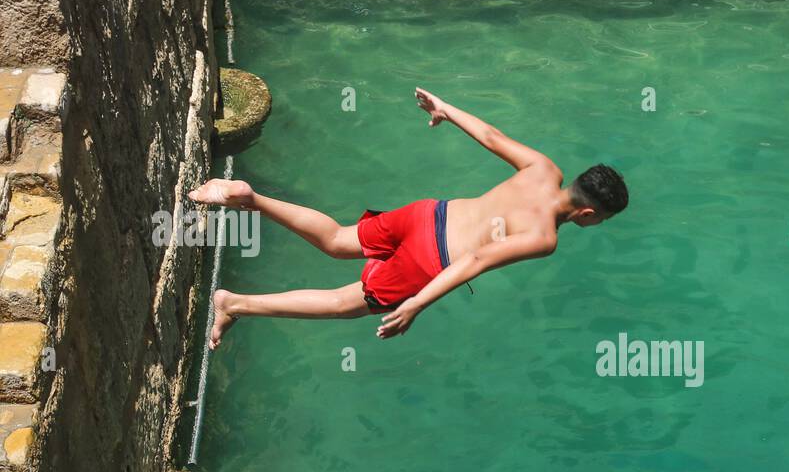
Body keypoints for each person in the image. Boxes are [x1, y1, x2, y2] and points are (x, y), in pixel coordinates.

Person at [189, 88, 628, 348]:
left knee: (339, 239)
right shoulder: (544, 236)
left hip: (428, 214)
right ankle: (235, 303)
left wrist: (446, 108)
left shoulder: (545, 170)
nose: (597, 225)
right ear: (588, 213)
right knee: (347, 303)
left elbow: (492, 137)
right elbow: (474, 262)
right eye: (602, 220)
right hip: (429, 260)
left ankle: (254, 199)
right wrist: (415, 304)